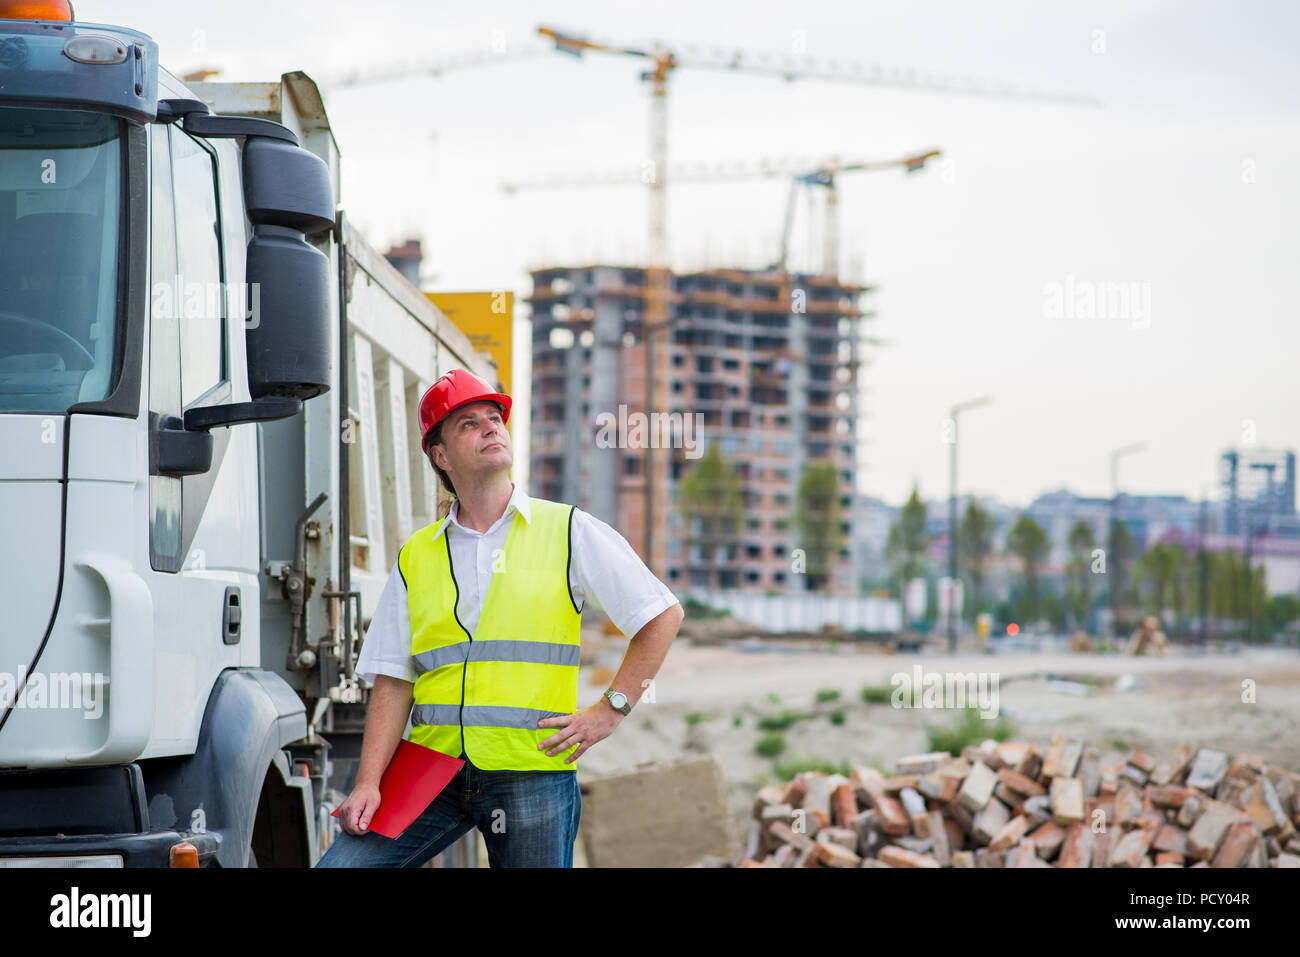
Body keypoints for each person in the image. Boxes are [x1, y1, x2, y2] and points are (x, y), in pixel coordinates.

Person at [316, 369, 683, 868]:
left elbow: (660, 614)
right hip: (429, 772)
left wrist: (611, 708)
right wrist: (367, 783)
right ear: (440, 456)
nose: (490, 427)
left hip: (530, 772)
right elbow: (393, 678)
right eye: (468, 423)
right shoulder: (416, 556)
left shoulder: (568, 530)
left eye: (495, 418)